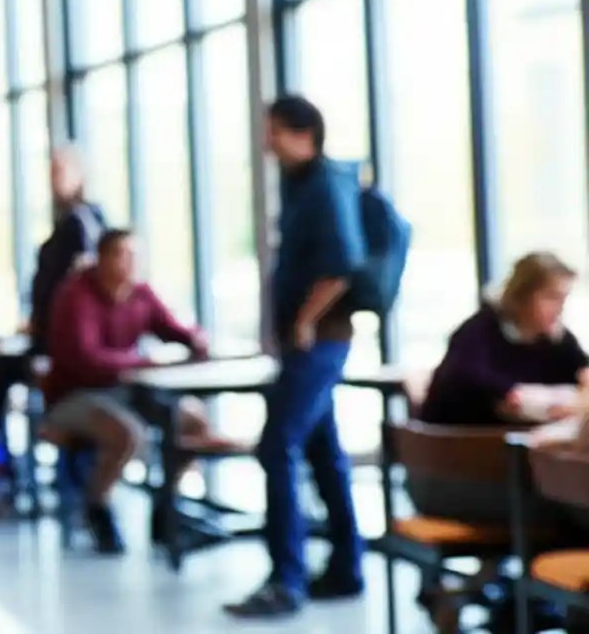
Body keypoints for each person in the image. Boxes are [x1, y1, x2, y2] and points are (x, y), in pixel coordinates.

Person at [226, 96, 367, 619]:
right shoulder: (297, 183)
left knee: (278, 445)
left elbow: (341, 265)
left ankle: (287, 579)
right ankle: (346, 567)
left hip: (319, 340)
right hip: (302, 341)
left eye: (272, 131)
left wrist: (305, 320)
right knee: (322, 452)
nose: (265, 141)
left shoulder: (327, 183)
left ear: (299, 131)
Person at [43, 229, 211, 554]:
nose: (133, 263)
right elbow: (85, 358)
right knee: (127, 434)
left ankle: (167, 508)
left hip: (127, 391)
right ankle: (97, 507)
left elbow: (171, 328)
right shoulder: (76, 295)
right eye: (125, 255)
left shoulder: (140, 293)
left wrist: (195, 339)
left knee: (193, 421)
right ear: (103, 258)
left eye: (137, 256)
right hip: (74, 396)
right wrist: (141, 362)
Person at [420, 252, 589, 427]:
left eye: (564, 298)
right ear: (522, 295)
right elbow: (468, 379)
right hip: (458, 442)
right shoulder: (479, 331)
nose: (560, 308)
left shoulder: (557, 338)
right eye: (551, 297)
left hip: (518, 443)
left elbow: (582, 371)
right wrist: (515, 395)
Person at [29, 148, 106, 354]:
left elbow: (87, 271)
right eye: (52, 172)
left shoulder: (83, 222)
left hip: (69, 334)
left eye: (60, 172)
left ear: (80, 175)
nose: (54, 180)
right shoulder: (65, 221)